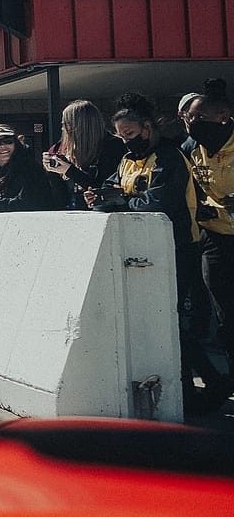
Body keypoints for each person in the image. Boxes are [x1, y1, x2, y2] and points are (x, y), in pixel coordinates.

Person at [87, 92, 232, 413]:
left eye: (131, 134)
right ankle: (199, 384)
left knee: (173, 320)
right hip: (139, 253)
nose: (126, 141)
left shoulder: (169, 157)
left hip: (179, 249)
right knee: (163, 321)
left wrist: (120, 201)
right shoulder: (128, 160)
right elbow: (111, 190)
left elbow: (158, 200)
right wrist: (100, 195)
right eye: (120, 136)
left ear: (149, 128)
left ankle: (202, 383)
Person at [180, 78, 234, 384]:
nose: (192, 124)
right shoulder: (190, 147)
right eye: (189, 118)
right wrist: (199, 205)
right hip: (214, 236)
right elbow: (186, 186)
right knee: (226, 311)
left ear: (222, 118)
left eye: (199, 118)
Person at [43, 99, 126, 210]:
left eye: (65, 124)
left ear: (77, 126)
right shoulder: (62, 147)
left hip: (104, 215)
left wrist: (69, 170)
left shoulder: (112, 146)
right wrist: (52, 172)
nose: (63, 129)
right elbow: (60, 199)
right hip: (72, 213)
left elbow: (104, 190)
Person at [0, 125, 53, 213]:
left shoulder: (30, 169)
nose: (3, 146)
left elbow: (28, 203)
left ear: (16, 145)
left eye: (8, 141)